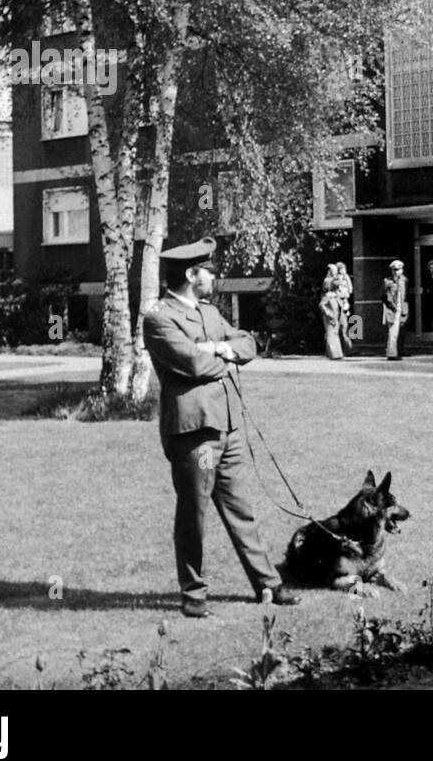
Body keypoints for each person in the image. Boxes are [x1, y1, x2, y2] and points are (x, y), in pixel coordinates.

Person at [142, 235, 298, 618]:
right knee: (194, 515)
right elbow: (191, 365)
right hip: (196, 435)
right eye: (209, 271)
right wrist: (220, 357)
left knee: (241, 509)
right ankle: (194, 597)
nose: (214, 276)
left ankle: (268, 584)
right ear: (192, 274)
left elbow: (248, 343)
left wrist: (222, 350)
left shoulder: (209, 313)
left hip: (228, 430)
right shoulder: (160, 317)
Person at [382, 260, 408, 360]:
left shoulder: (404, 280)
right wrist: (393, 306)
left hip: (401, 309)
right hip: (392, 309)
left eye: (398, 270)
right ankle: (391, 354)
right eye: (394, 270)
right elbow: (384, 296)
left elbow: (405, 296)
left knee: (399, 332)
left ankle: (398, 351)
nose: (396, 272)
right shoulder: (387, 282)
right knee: (392, 332)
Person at [320, 278, 344, 360]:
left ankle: (337, 353)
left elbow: (340, 307)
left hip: (336, 318)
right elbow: (322, 305)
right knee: (330, 335)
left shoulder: (337, 296)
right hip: (329, 318)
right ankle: (334, 354)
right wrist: (328, 314)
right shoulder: (328, 296)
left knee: (335, 335)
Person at [335, 263, 354, 354]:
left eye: (344, 269)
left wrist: (346, 293)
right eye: (341, 269)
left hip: (344, 302)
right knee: (341, 327)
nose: (343, 271)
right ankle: (345, 348)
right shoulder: (336, 278)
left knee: (344, 326)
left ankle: (348, 348)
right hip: (337, 302)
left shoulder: (346, 277)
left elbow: (350, 289)